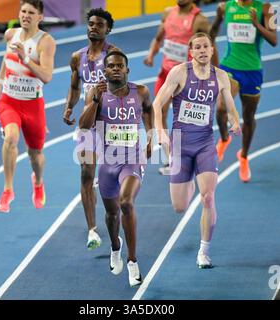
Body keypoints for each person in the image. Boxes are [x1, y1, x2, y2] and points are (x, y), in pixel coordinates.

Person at [153, 32, 241, 268]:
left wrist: (235, 120)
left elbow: (231, 106)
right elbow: (157, 103)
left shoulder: (220, 76)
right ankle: (189, 180)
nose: (202, 51)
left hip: (204, 142)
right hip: (180, 143)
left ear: (212, 50)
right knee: (179, 207)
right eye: (197, 47)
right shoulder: (180, 72)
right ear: (191, 51)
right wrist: (159, 131)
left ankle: (204, 251)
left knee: (208, 197)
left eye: (206, 47)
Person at [79, 51, 153, 286]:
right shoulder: (96, 93)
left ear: (127, 70)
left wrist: (150, 136)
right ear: (105, 71)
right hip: (108, 162)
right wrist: (95, 101)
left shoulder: (140, 91)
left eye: (120, 65)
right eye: (111, 66)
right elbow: (84, 125)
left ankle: (133, 262)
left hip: (132, 159)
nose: (116, 69)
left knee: (126, 203)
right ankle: (115, 247)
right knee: (112, 215)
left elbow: (150, 110)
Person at [0, 0, 56, 213]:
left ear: (40, 17)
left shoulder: (46, 42)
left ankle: (38, 183)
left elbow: (46, 76)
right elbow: (6, 59)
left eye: (31, 12)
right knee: (10, 138)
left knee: (35, 155)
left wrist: (26, 58)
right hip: (9, 100)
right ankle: (8, 190)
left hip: (32, 105)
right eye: (23, 11)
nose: (25, 15)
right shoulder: (11, 35)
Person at [63, 8, 117, 250]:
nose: (94, 27)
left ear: (108, 30)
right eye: (91, 23)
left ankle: (115, 219)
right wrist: (68, 107)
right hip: (88, 126)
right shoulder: (77, 57)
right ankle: (92, 231)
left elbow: (125, 89)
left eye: (100, 25)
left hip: (112, 124)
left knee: (111, 179)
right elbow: (75, 86)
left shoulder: (114, 56)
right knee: (86, 173)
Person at [144, 0, 216, 175]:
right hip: (166, 74)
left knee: (189, 121)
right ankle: (172, 159)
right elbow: (159, 37)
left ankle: (194, 157)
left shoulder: (199, 20)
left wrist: (214, 75)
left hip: (187, 78)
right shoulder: (168, 13)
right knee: (158, 114)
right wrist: (151, 54)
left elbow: (210, 48)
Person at [210, 0, 277, 182]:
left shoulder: (266, 9)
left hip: (252, 70)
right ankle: (224, 139)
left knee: (248, 117)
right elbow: (211, 35)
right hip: (230, 65)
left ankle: (244, 156)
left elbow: (274, 40)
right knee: (221, 108)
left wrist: (256, 24)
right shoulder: (226, 7)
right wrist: (217, 18)